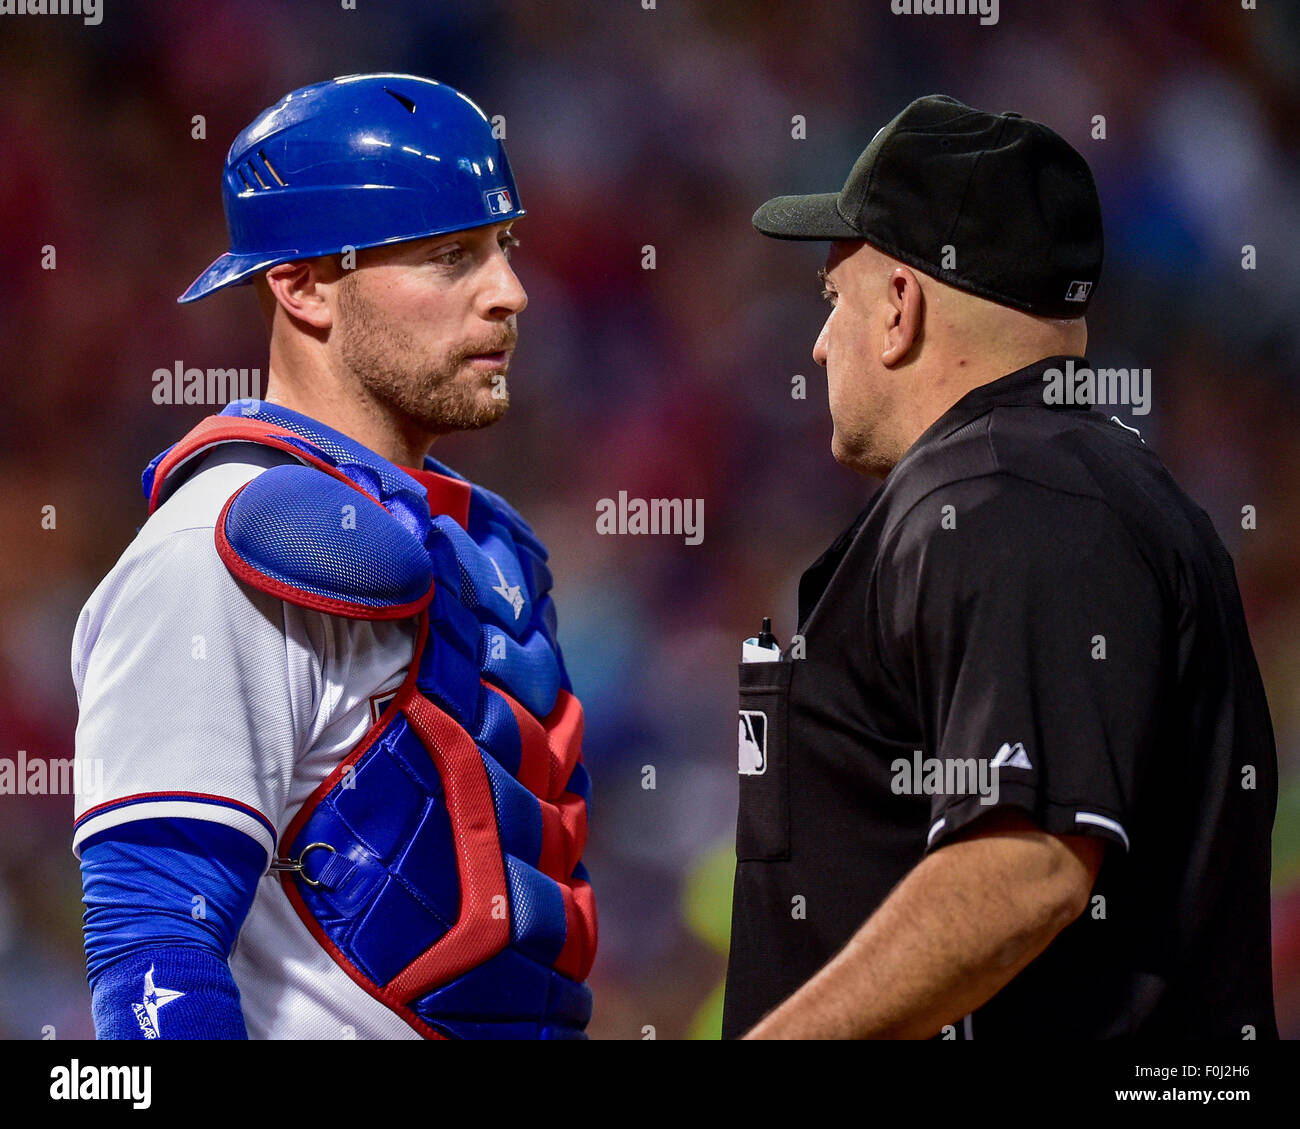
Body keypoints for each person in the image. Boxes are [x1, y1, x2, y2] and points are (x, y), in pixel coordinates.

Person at [723, 94, 1278, 1040]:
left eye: (832, 301)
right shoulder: (1053, 484)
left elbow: (1025, 867)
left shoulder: (1010, 495)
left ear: (900, 306)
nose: (819, 343)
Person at [71, 73, 596, 1040]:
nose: (511, 294)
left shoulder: (482, 544)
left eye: (502, 247)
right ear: (302, 282)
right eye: (450, 257)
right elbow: (156, 954)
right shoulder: (213, 551)